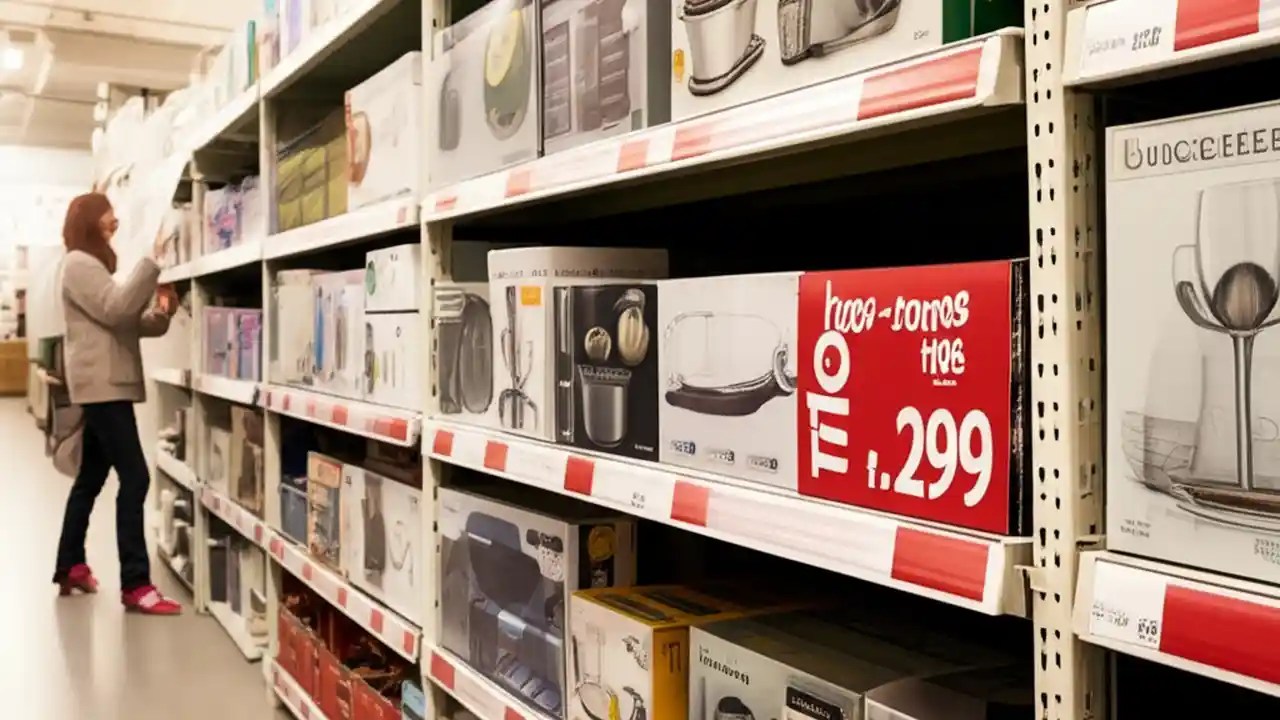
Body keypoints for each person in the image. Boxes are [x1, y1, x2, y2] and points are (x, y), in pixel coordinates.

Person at [51, 192, 182, 615]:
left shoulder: (90, 266)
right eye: (108, 215)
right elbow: (118, 308)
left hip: (108, 385)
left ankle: (70, 564)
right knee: (137, 479)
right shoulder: (77, 264)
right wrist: (152, 260)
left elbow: (132, 321)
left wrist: (162, 311)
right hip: (104, 388)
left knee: (90, 479)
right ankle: (137, 585)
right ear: (90, 219)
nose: (115, 221)